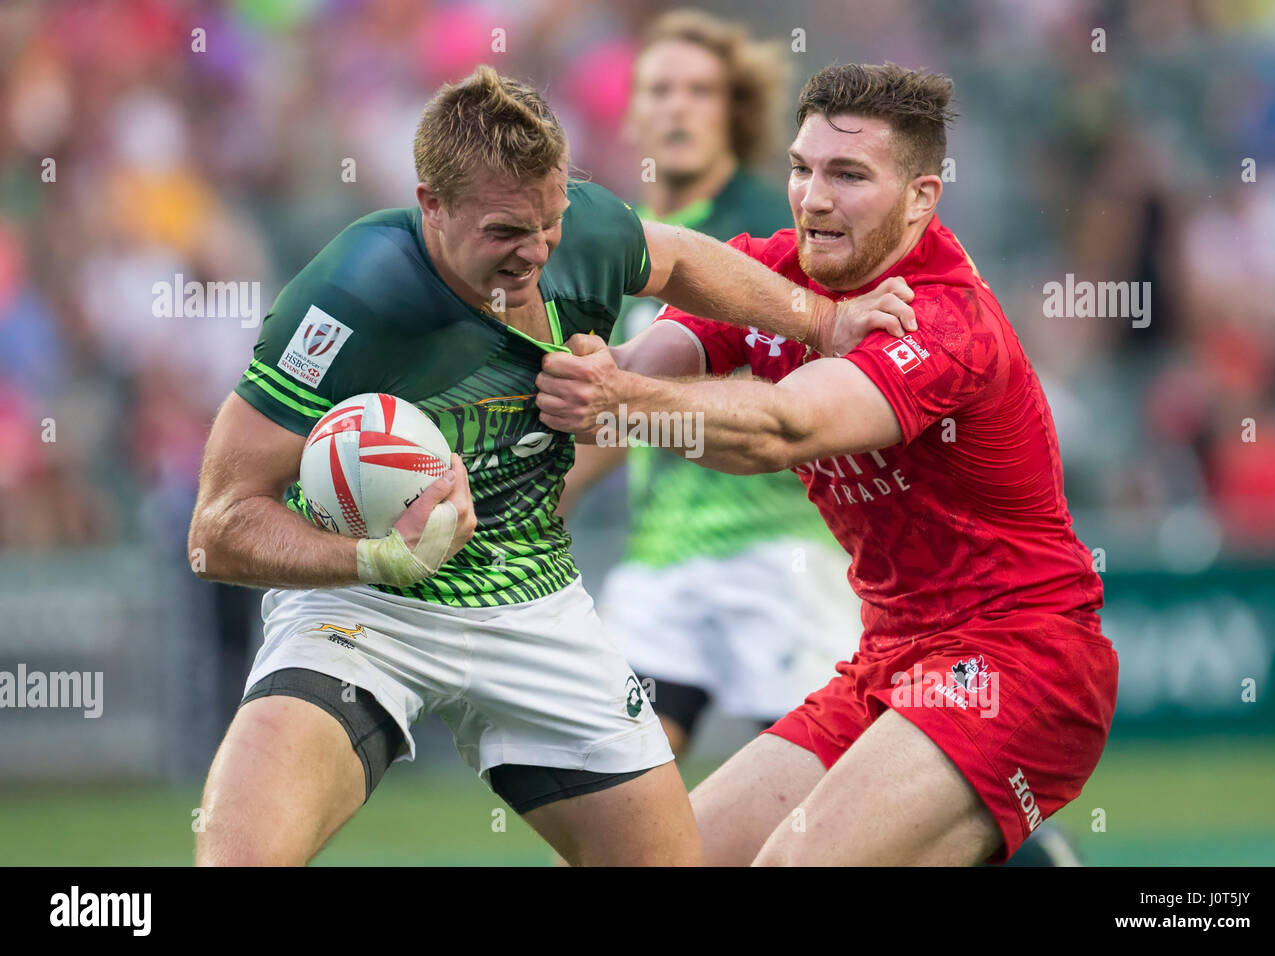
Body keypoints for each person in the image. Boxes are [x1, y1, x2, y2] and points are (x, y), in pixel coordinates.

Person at [187, 65, 913, 866]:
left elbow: (677, 260)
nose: (534, 253)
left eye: (550, 222)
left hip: (533, 602)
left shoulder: (584, 233)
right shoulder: (350, 297)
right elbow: (218, 529)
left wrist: (822, 319)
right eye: (505, 231)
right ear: (431, 204)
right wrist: (371, 558)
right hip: (364, 609)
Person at [536, 62, 1119, 866]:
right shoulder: (775, 274)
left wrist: (615, 396)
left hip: (1019, 663)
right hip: (889, 659)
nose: (814, 197)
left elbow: (781, 429)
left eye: (849, 175)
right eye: (802, 168)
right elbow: (644, 362)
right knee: (670, 859)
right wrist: (566, 382)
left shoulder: (948, 319)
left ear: (921, 197)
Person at [560, 9, 859, 757]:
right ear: (629, 115)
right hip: (662, 564)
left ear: (736, 113)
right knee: (610, 783)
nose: (678, 107)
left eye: (700, 90)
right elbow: (604, 408)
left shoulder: (775, 227)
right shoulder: (617, 243)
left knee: (838, 809)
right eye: (659, 90)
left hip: (783, 558)